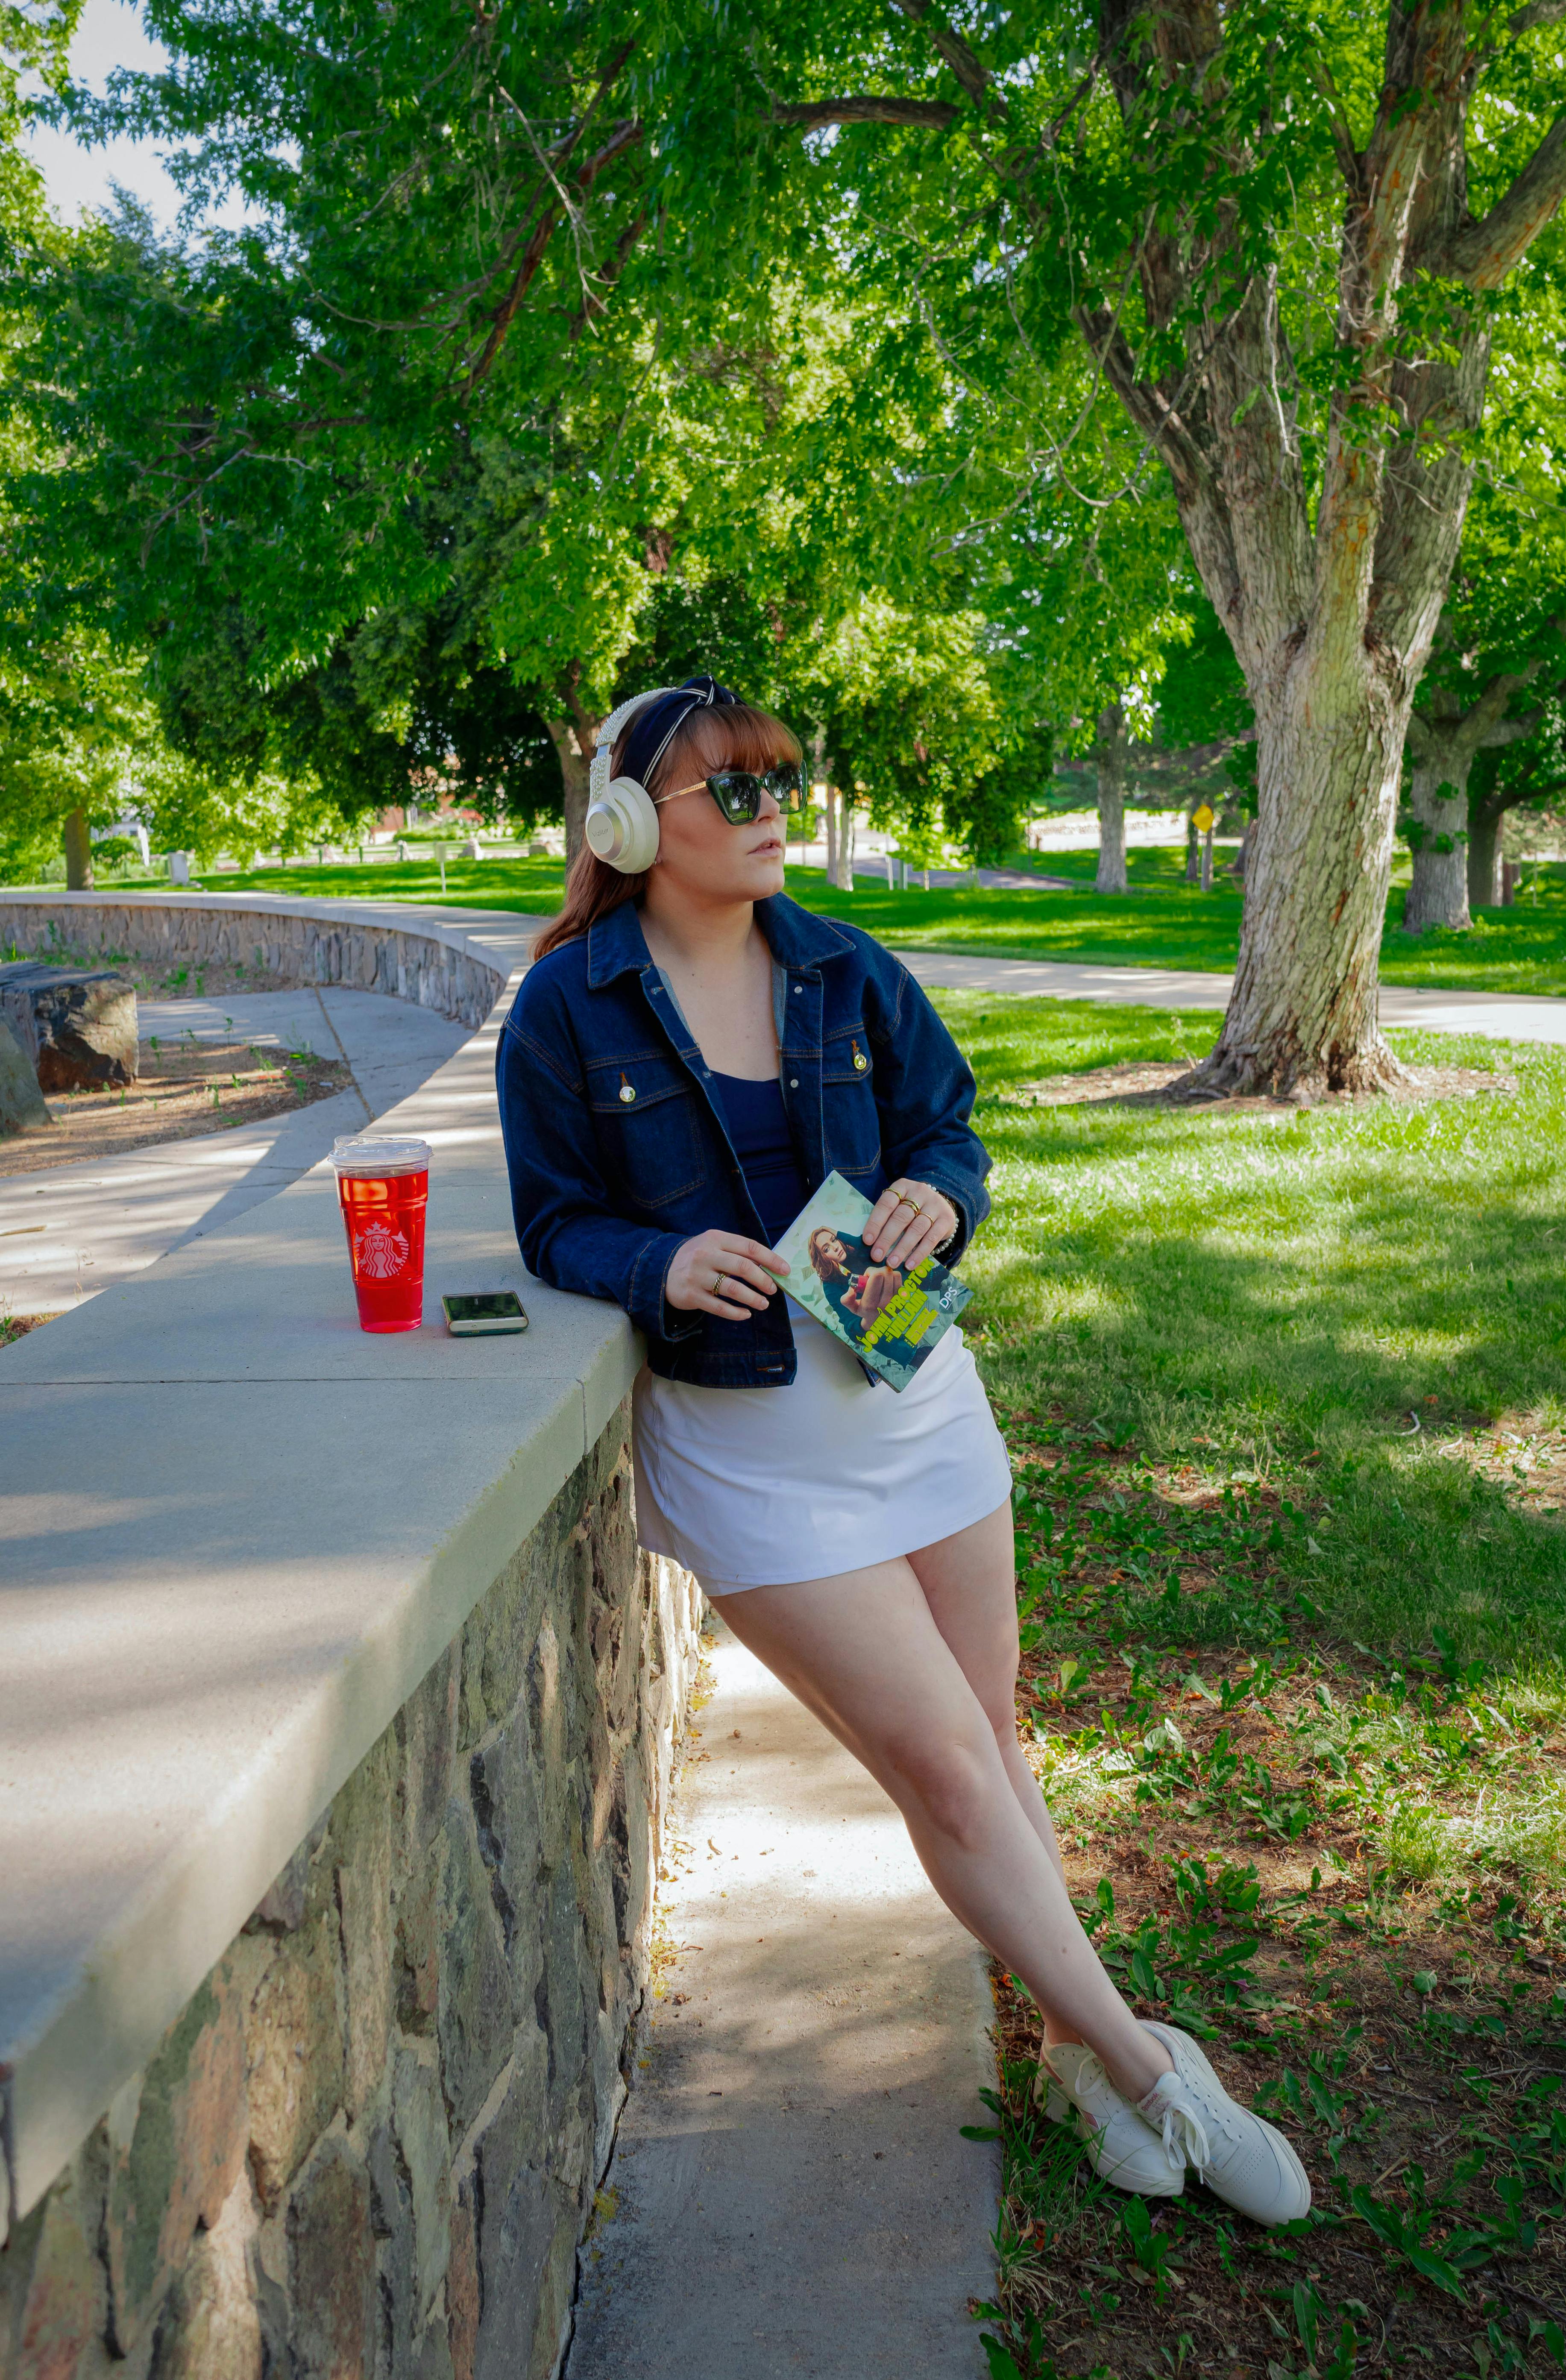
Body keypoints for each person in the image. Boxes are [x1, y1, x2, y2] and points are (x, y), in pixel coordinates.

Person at [496, 674, 1310, 2224]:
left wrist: (944, 1196)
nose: (773, 812)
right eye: (734, 790)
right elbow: (554, 1221)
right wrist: (656, 1263)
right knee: (939, 1757)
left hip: (918, 1397)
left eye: (778, 780)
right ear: (630, 825)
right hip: (751, 1453)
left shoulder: (844, 969)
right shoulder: (567, 1007)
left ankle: (1071, 2047)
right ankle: (1155, 2071)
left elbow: (947, 1128)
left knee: (987, 1738)